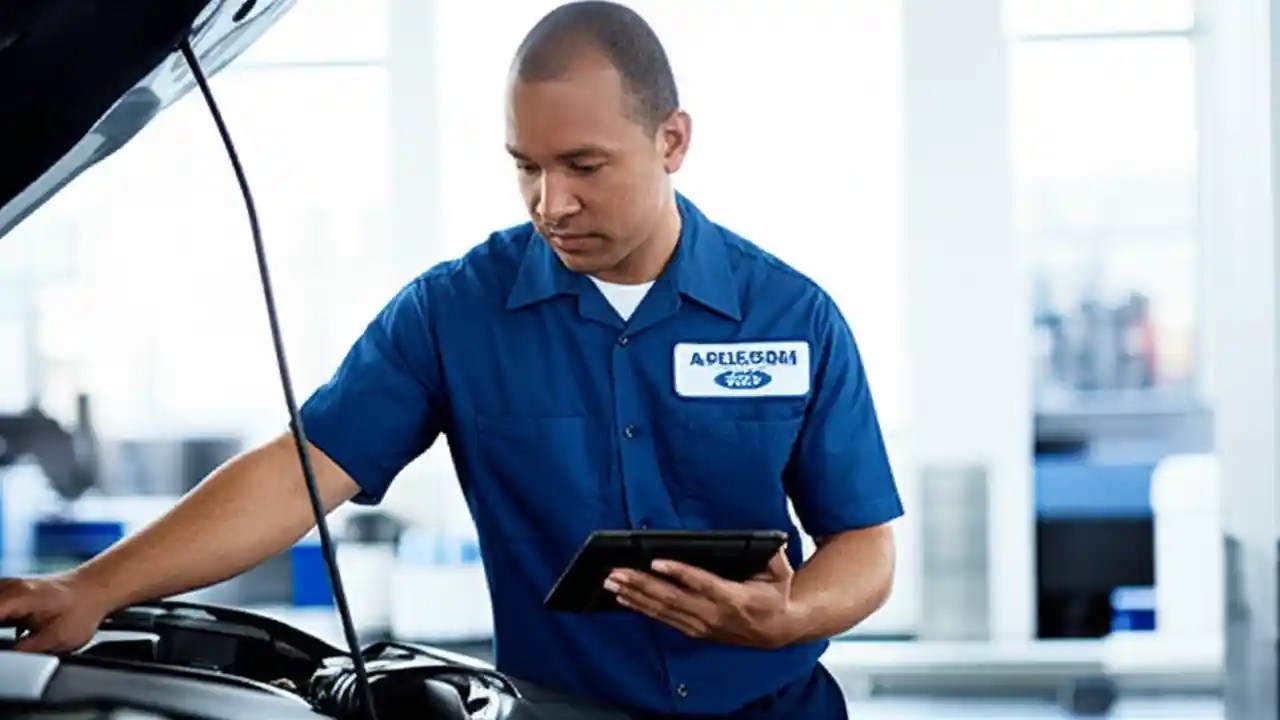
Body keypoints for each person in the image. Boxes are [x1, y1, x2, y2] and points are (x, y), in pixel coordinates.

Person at [0, 2, 903, 717]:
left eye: (585, 165)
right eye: (527, 167)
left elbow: (862, 544)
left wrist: (788, 616)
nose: (552, 203)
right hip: (560, 712)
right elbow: (300, 473)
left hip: (777, 709)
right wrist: (92, 588)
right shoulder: (453, 313)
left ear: (672, 141)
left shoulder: (792, 318)